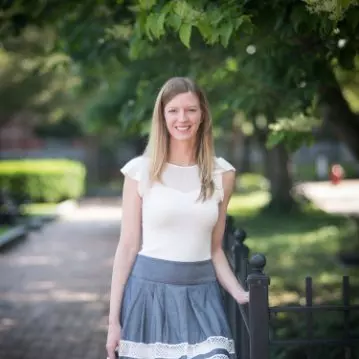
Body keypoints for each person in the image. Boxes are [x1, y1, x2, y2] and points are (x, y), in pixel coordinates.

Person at [106, 77, 249, 359]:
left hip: (202, 298)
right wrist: (113, 323)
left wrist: (240, 293)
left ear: (202, 114)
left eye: (191, 110)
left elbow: (215, 249)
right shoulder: (140, 171)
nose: (182, 118)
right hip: (148, 298)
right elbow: (127, 247)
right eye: (173, 110)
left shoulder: (222, 174)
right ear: (162, 116)